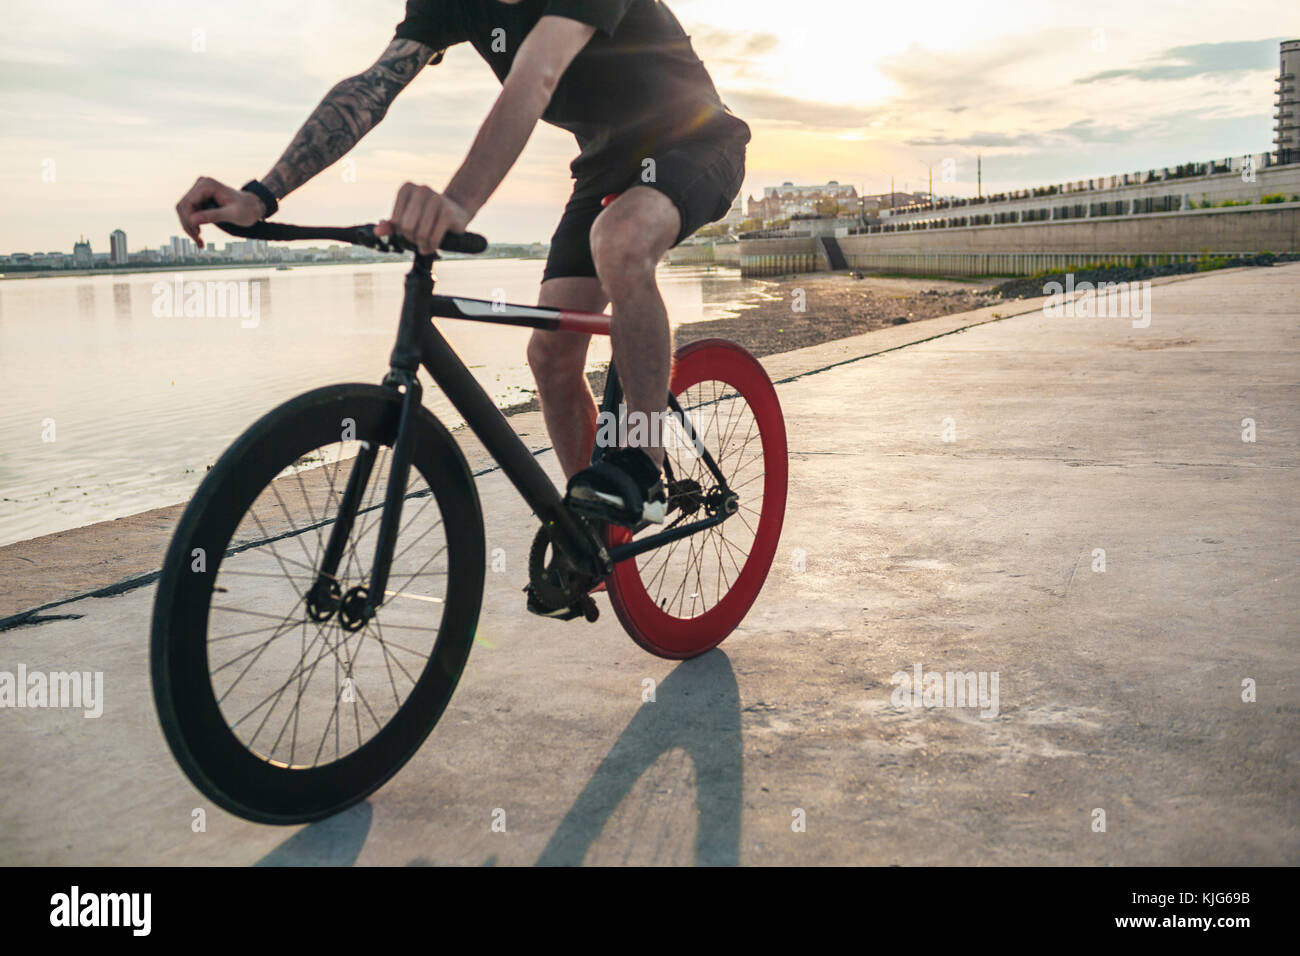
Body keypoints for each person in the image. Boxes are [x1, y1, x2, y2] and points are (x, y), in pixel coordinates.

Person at [175, 0, 749, 532]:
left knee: (621, 240)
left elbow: (535, 76)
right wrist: (262, 195)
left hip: (696, 140)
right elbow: (373, 88)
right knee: (549, 354)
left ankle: (642, 468)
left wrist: (455, 205)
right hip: (604, 165)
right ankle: (593, 530)